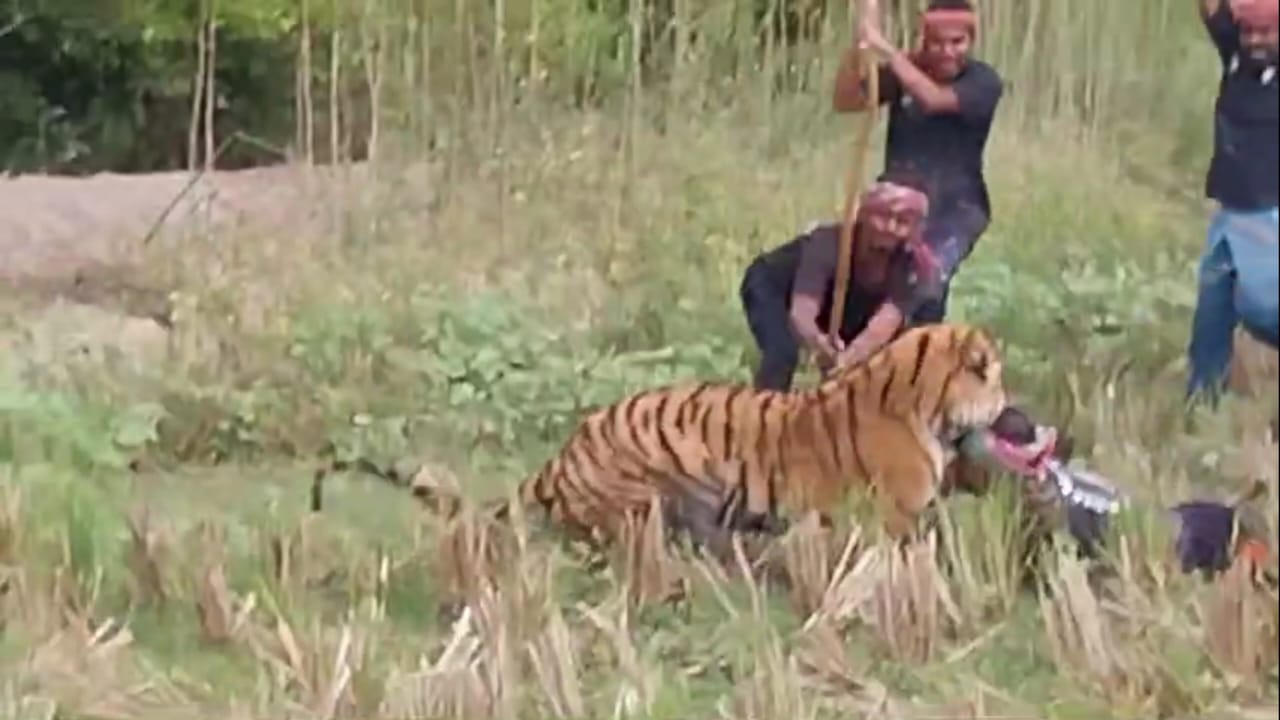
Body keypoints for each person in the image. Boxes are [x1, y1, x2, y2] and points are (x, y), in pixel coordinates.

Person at [831, 0, 1003, 325]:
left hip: (955, 207)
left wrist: (887, 49)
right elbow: (846, 100)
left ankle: (924, 362)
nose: (947, 51)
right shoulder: (908, 70)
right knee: (857, 277)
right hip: (896, 202)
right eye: (937, 42)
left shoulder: (983, 82)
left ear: (971, 40)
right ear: (924, 39)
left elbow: (934, 99)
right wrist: (859, 48)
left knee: (925, 284)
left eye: (957, 42)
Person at [738, 173, 941, 391]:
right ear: (863, 214)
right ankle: (766, 415)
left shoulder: (915, 267)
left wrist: (846, 359)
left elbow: (881, 326)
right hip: (775, 287)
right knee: (783, 353)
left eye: (902, 222)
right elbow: (803, 310)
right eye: (882, 216)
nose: (890, 227)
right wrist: (819, 342)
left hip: (844, 299)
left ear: (915, 228)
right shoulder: (830, 244)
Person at [1185, 0, 1279, 403]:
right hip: (1229, 209)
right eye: (1249, 32)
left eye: (1266, 32)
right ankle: (1202, 402)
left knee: (1261, 308)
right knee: (1213, 309)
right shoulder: (1238, 58)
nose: (1255, 41)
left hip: (1269, 211)